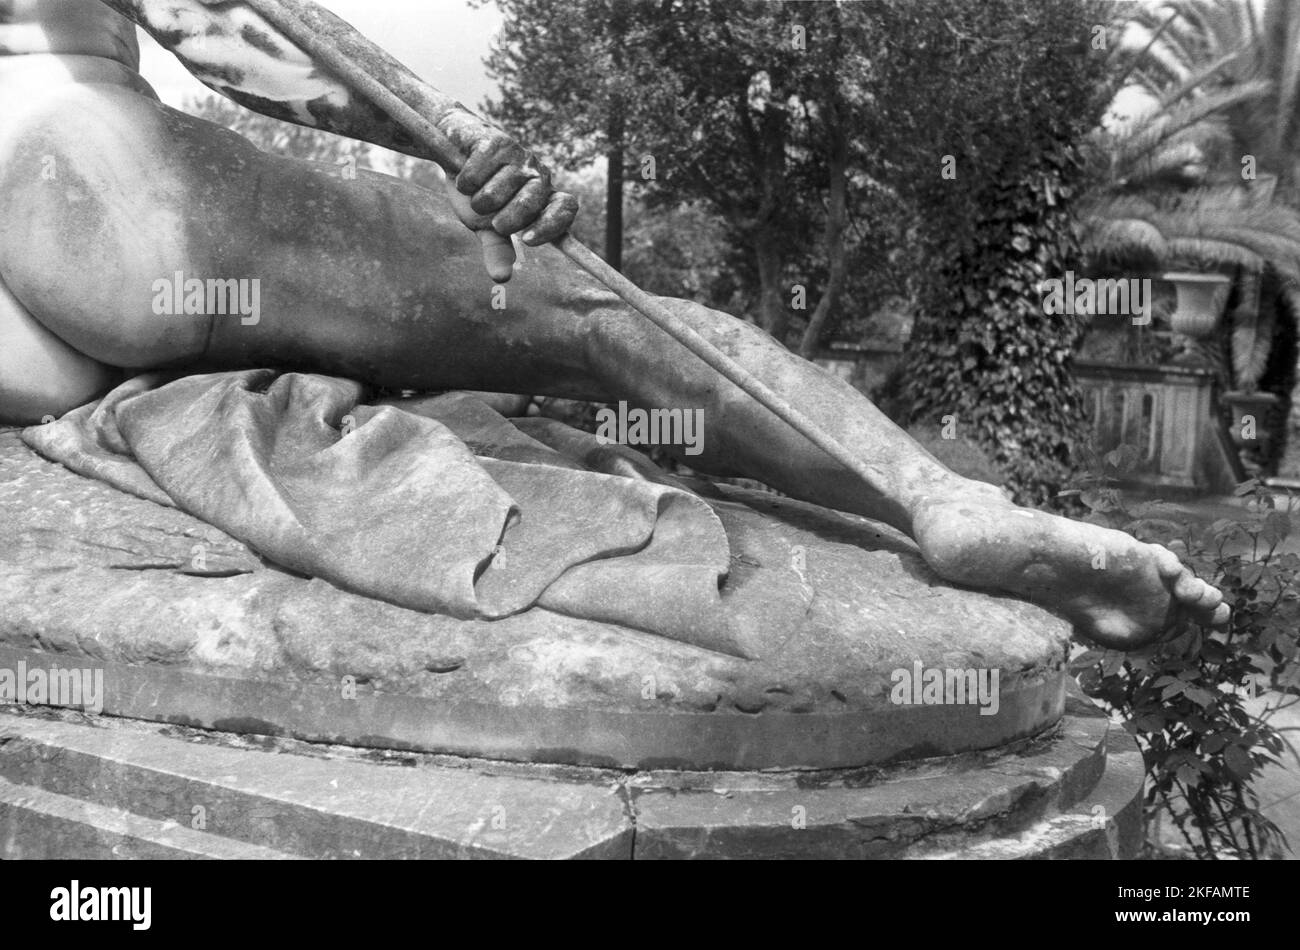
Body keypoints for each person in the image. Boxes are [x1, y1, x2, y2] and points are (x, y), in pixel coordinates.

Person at [0, 0, 1229, 648]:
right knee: (585, 308)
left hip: (27, 348)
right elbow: (229, 30)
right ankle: (933, 500)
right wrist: (450, 136)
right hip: (77, 173)